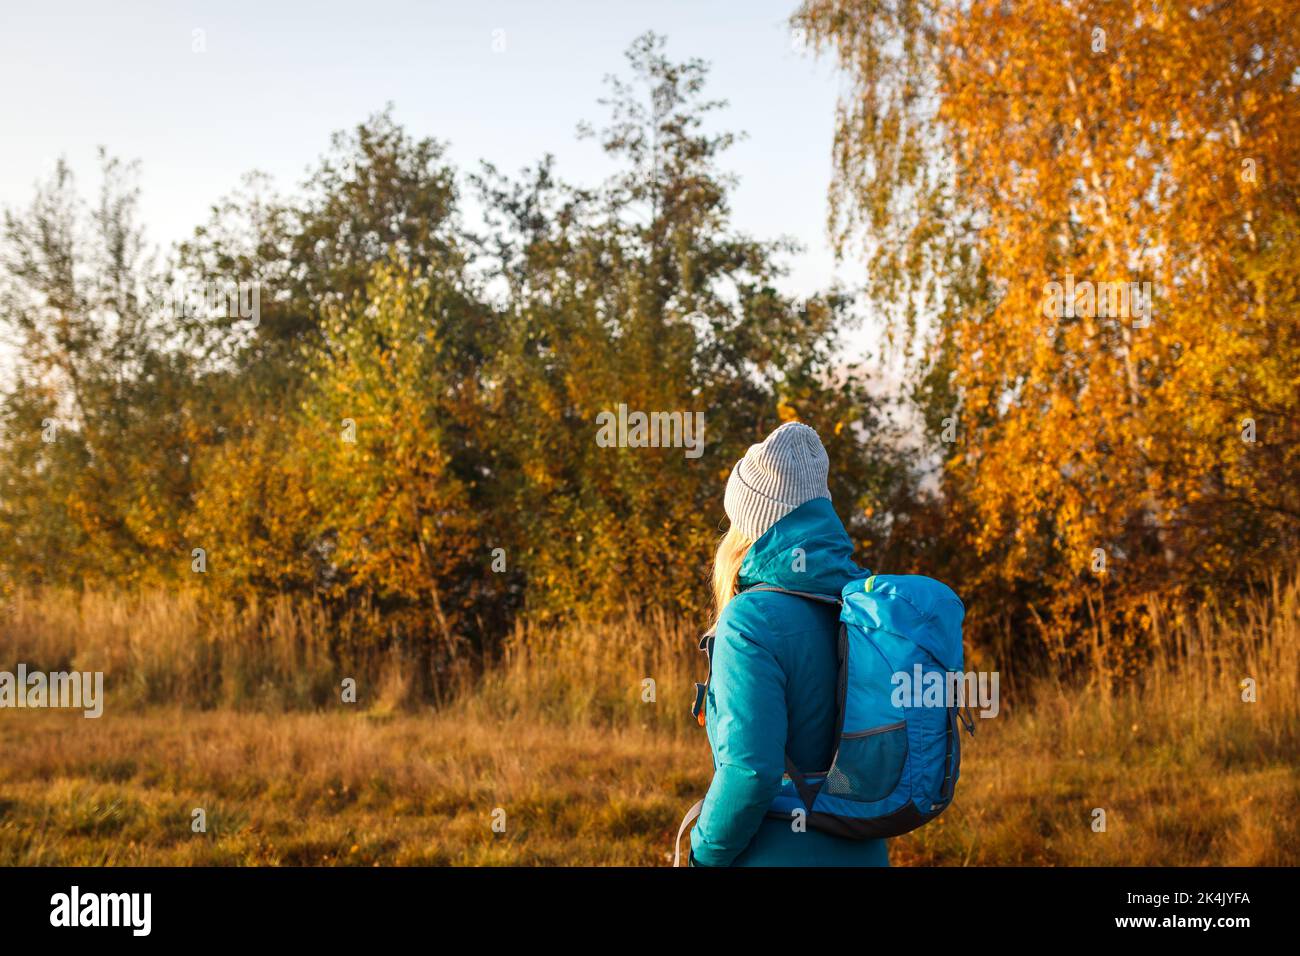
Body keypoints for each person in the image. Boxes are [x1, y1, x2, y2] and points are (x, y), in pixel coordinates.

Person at [689, 421, 889, 866]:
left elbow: (750, 773)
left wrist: (703, 852)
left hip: (778, 851)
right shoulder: (862, 604)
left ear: (749, 525)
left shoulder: (749, 619)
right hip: (866, 851)